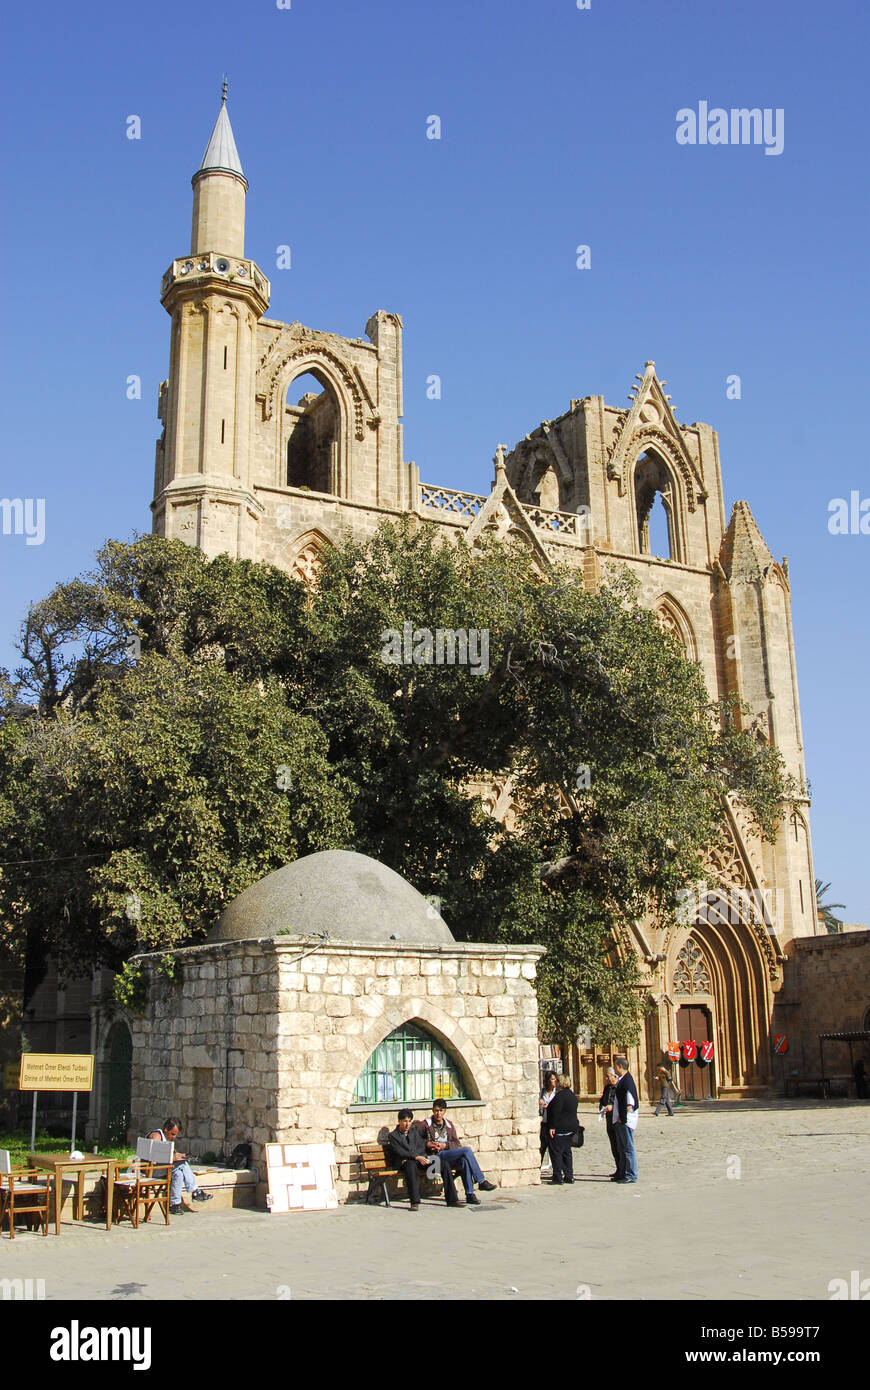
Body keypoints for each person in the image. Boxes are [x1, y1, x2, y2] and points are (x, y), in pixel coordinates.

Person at [419, 1100, 497, 1204]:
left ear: (445, 1111)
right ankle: (481, 1181)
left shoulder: (449, 1125)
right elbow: (416, 1139)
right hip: (435, 1156)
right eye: (436, 1111)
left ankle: (470, 1194)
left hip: (447, 1153)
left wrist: (445, 1145)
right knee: (467, 1150)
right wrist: (428, 1144)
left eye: (441, 1111)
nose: (438, 1113)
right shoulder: (426, 1124)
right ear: (433, 1110)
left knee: (464, 1160)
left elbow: (456, 1143)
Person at [388, 1109, 461, 1210]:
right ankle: (414, 1202)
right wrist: (415, 1157)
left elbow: (421, 1145)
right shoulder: (393, 1136)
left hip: (419, 1159)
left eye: (409, 1121)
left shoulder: (413, 1131)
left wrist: (428, 1147)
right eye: (404, 1121)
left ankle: (452, 1200)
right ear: (399, 1121)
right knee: (410, 1165)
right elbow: (400, 1152)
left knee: (443, 1164)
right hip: (404, 1162)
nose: (407, 1124)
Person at [148, 1118, 213, 1214]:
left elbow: (166, 1155)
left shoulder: (165, 1138)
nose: (174, 1137)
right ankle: (195, 1191)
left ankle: (175, 1205)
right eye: (173, 1134)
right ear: (166, 1130)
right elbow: (153, 1155)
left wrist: (177, 1155)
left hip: (160, 1168)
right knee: (182, 1164)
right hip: (151, 1170)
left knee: (178, 1174)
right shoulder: (156, 1136)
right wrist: (171, 1157)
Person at [546, 1074, 580, 1185]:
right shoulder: (572, 1095)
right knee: (567, 1152)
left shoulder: (560, 1096)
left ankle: (557, 1177)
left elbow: (556, 1112)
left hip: (561, 1128)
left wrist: (552, 1127)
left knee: (556, 1152)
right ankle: (569, 1175)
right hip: (571, 1127)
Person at [611, 1057, 639, 1184]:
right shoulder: (623, 1080)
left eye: (615, 1066)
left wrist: (622, 1117)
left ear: (620, 1067)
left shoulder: (627, 1081)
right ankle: (622, 1172)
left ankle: (631, 1174)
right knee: (621, 1148)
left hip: (626, 1121)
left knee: (628, 1148)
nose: (614, 1069)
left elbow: (630, 1103)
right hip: (621, 1119)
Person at [598, 1066, 619, 1176]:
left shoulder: (619, 1087)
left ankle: (623, 1169)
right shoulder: (607, 1088)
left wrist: (613, 1107)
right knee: (613, 1145)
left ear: (614, 1075)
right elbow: (603, 1099)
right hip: (608, 1118)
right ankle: (618, 1168)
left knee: (620, 1144)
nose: (606, 1078)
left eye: (608, 1076)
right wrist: (602, 1106)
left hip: (618, 1118)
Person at [539, 1070, 559, 1162]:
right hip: (545, 1121)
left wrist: (550, 1106)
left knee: (554, 1149)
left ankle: (557, 1171)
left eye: (555, 1079)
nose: (554, 1081)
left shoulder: (557, 1092)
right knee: (542, 1147)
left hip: (554, 1123)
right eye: (552, 1079)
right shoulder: (543, 1092)